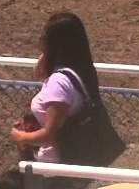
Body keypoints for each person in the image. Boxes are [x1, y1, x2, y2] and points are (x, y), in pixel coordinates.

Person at [11, 12, 106, 178]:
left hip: (53, 169)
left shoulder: (59, 83)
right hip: (75, 159)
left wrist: (20, 136)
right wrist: (48, 52)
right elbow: (40, 72)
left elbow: (49, 134)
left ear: (54, 44)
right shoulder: (81, 70)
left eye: (45, 38)